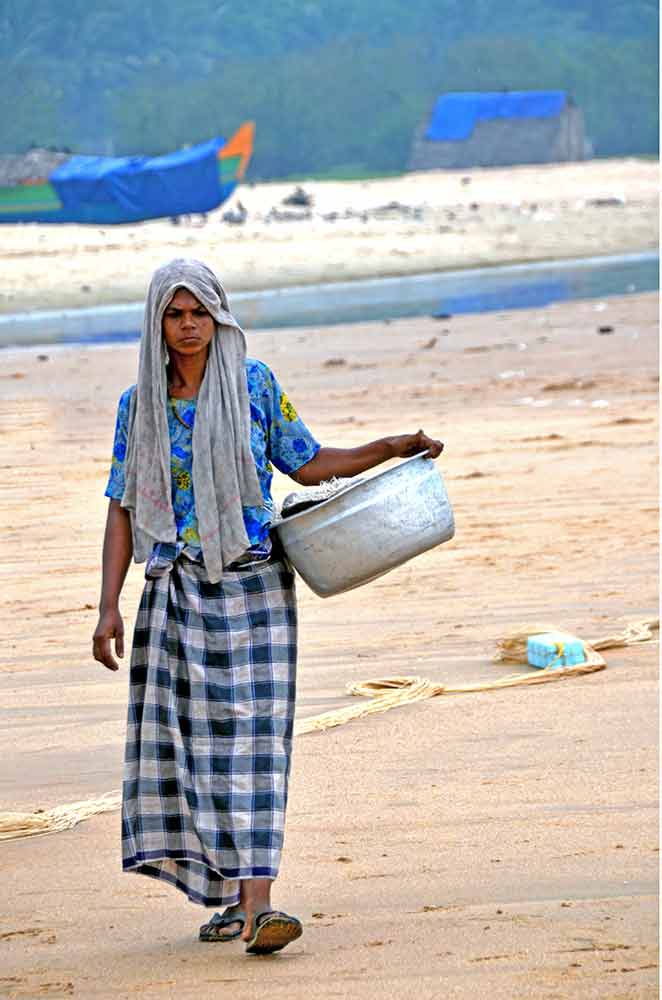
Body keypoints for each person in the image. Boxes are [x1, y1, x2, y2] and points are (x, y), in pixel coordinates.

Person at [92, 258, 443, 955]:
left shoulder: (253, 385)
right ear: (157, 321)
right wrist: (108, 607)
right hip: (173, 592)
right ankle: (226, 895)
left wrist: (388, 448)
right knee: (191, 751)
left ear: (220, 316)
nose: (189, 327)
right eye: (175, 313)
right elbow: (123, 507)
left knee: (253, 745)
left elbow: (307, 461)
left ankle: (259, 906)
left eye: (200, 313)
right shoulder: (140, 407)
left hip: (254, 590)